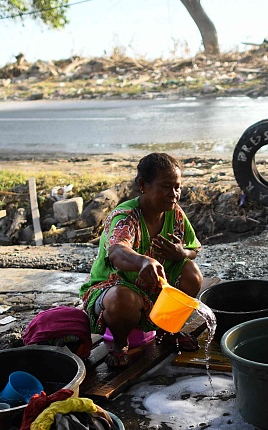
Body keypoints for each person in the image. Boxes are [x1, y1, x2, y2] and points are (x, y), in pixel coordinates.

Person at [79, 152, 204, 368]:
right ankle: (120, 344)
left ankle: (167, 330)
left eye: (177, 187)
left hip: (152, 289)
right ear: (143, 185)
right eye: (166, 186)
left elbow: (193, 249)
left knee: (192, 273)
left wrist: (181, 253)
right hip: (113, 289)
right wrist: (144, 262)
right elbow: (117, 252)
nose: (174, 194)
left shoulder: (174, 214)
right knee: (123, 298)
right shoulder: (126, 216)